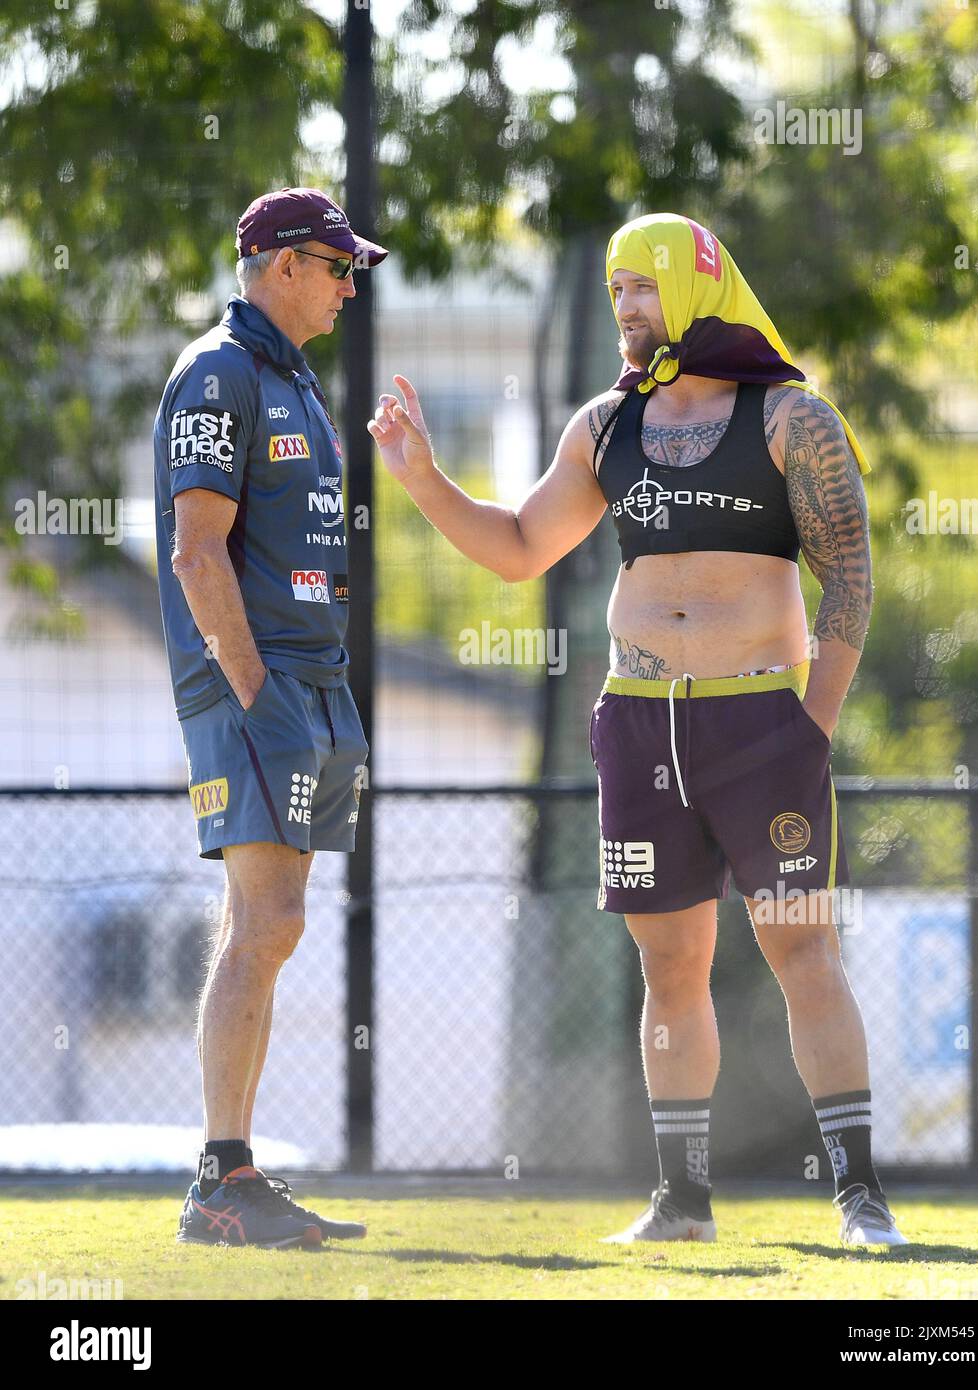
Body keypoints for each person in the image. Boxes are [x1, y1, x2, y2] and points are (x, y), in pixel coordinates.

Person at [368, 212, 907, 1249]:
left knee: (803, 949)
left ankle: (857, 1194)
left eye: (641, 289)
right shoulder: (605, 426)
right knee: (669, 969)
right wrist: (421, 479)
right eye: (613, 291)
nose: (624, 309)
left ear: (696, 288)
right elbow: (523, 545)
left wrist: (812, 724)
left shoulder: (791, 418)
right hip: (638, 725)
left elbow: (848, 576)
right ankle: (681, 1200)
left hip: (763, 725)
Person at [153, 187, 385, 1249]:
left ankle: (231, 1171)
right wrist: (256, 694)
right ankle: (219, 1180)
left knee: (276, 924)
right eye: (337, 267)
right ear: (282, 264)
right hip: (257, 689)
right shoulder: (220, 370)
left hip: (310, 683)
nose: (348, 286)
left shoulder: (290, 376)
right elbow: (196, 552)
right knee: (260, 923)